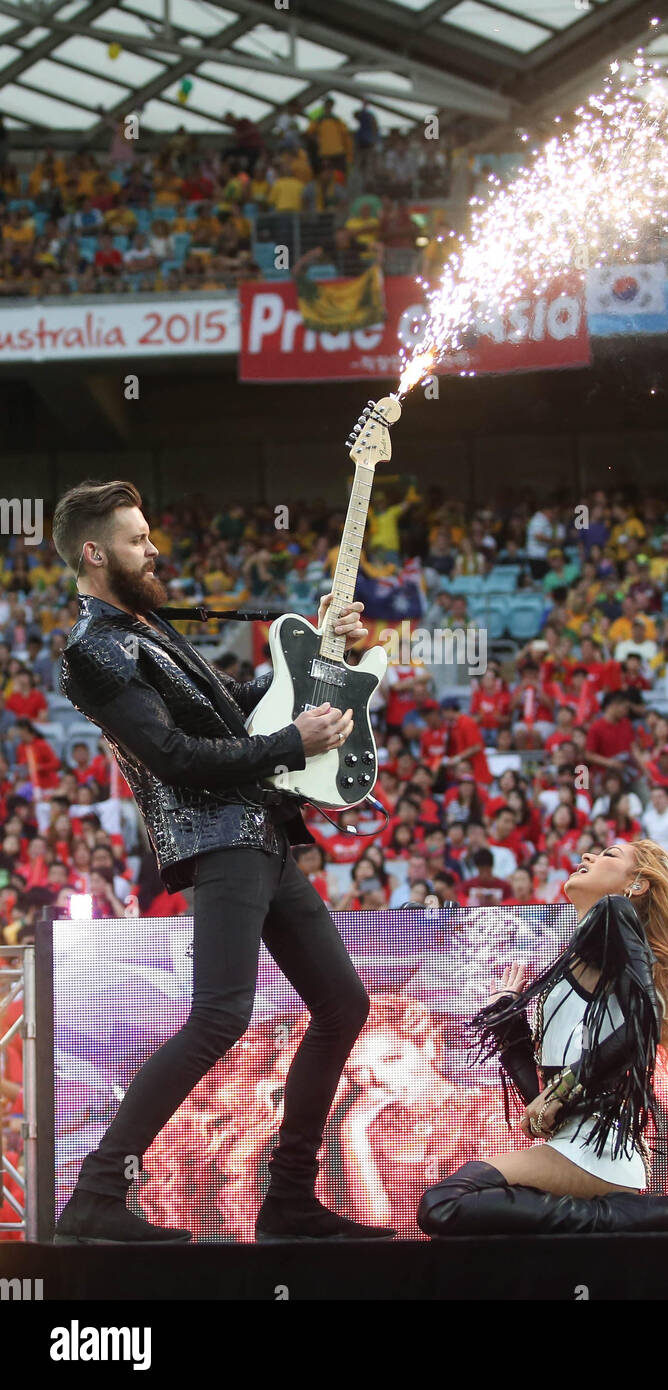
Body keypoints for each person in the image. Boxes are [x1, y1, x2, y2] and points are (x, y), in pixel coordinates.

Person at [49, 479, 395, 1245]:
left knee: (342, 1004)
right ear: (94, 552)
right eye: (139, 539)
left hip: (259, 832)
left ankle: (289, 1204)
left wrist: (324, 652)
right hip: (218, 836)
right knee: (219, 1017)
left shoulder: (145, 629)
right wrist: (291, 744)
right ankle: (97, 1198)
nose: (155, 549)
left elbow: (236, 705)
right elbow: (174, 757)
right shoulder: (93, 651)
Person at [416, 839, 668, 1235]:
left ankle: (667, 1217)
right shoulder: (583, 954)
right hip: (576, 1145)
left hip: (597, 1152)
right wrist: (509, 1027)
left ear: (636, 885)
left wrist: (559, 1093)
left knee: (446, 1203)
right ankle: (632, 1217)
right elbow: (542, 1107)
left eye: (609, 855)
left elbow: (645, 1019)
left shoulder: (615, 912)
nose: (587, 856)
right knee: (469, 1216)